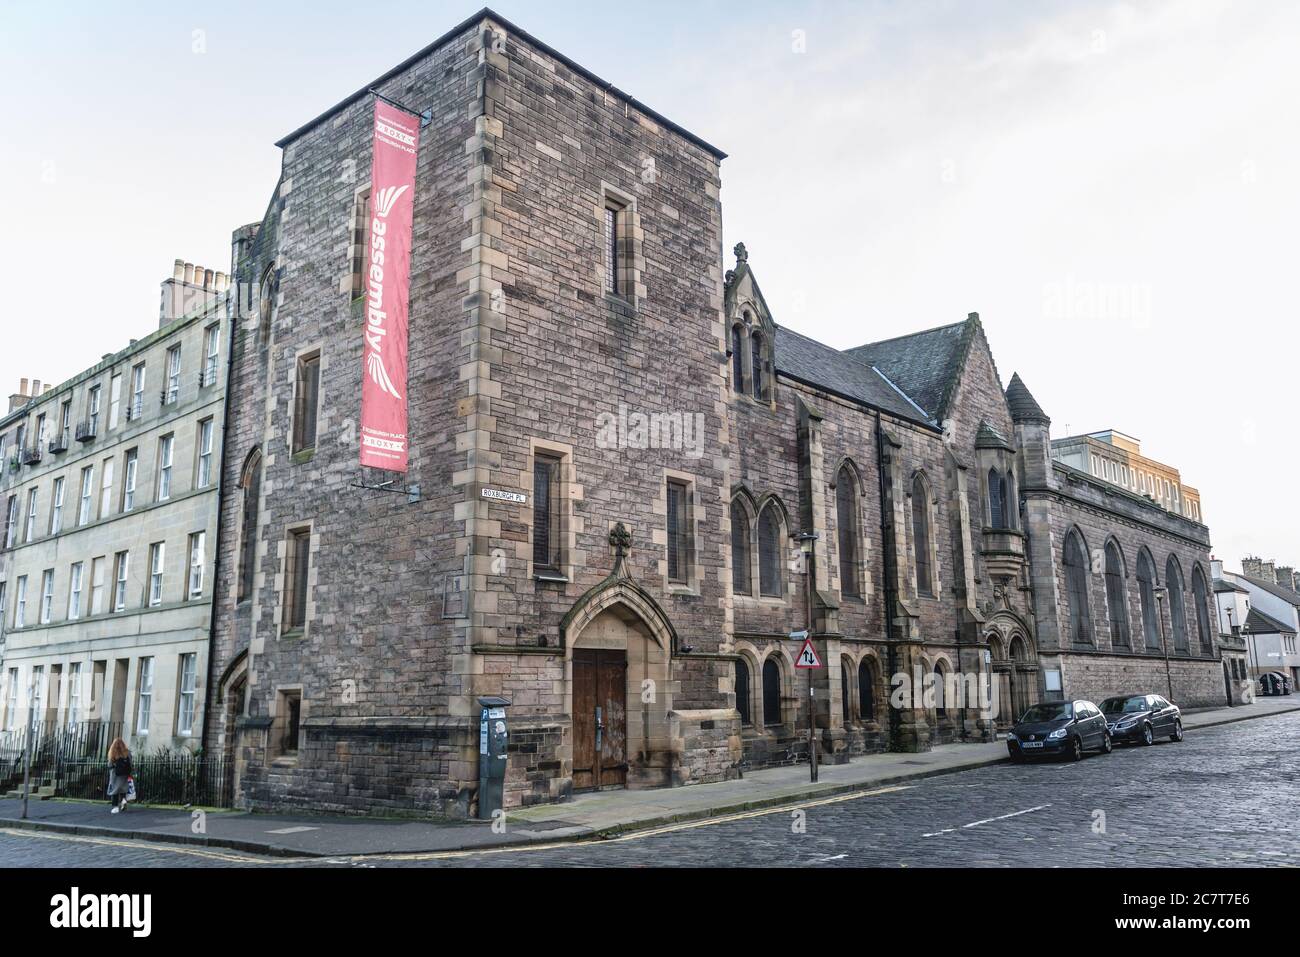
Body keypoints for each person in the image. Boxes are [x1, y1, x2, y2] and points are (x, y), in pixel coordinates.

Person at [107, 738, 132, 814]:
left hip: (115, 775)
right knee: (123, 789)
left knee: (115, 791)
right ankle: (123, 800)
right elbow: (130, 763)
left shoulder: (113, 752)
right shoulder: (127, 753)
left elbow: (110, 764)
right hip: (125, 774)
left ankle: (115, 807)